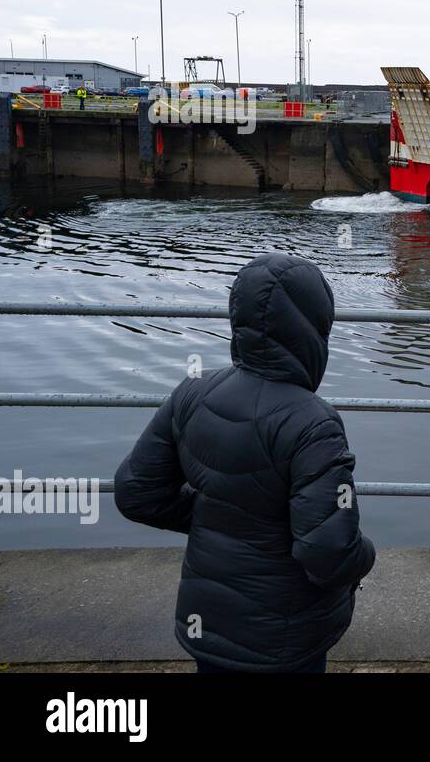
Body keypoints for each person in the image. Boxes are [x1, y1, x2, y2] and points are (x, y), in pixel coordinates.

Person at [114, 253, 376, 673]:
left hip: (209, 622)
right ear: (313, 325)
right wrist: (366, 555)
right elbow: (328, 551)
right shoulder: (313, 421)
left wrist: (213, 517)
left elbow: (135, 493)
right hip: (286, 637)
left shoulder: (193, 391)